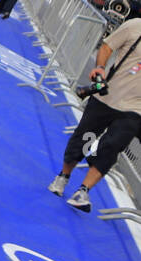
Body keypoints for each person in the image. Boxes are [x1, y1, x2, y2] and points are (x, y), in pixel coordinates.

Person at [49, 15, 141, 212]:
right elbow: (107, 47)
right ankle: (63, 177)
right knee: (83, 139)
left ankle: (83, 191)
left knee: (113, 146)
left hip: (135, 109)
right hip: (106, 97)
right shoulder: (135, 26)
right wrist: (99, 68)